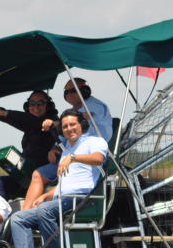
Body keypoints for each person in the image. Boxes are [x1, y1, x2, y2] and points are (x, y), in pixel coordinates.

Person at [7, 108, 108, 248]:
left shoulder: (94, 141)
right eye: (65, 126)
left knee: (45, 210)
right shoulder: (67, 150)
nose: (69, 129)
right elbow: (65, 184)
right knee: (18, 218)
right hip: (63, 198)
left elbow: (98, 159)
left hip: (83, 199)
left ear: (81, 125)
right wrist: (46, 195)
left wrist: (74, 157)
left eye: (73, 124)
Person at [24, 78, 112, 207]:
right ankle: (25, 214)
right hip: (68, 159)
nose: (68, 94)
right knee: (38, 174)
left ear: (85, 91)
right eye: (66, 92)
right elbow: (65, 138)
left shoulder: (95, 106)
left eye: (73, 91)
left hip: (89, 161)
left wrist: (54, 123)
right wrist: (54, 148)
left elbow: (83, 117)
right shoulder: (71, 113)